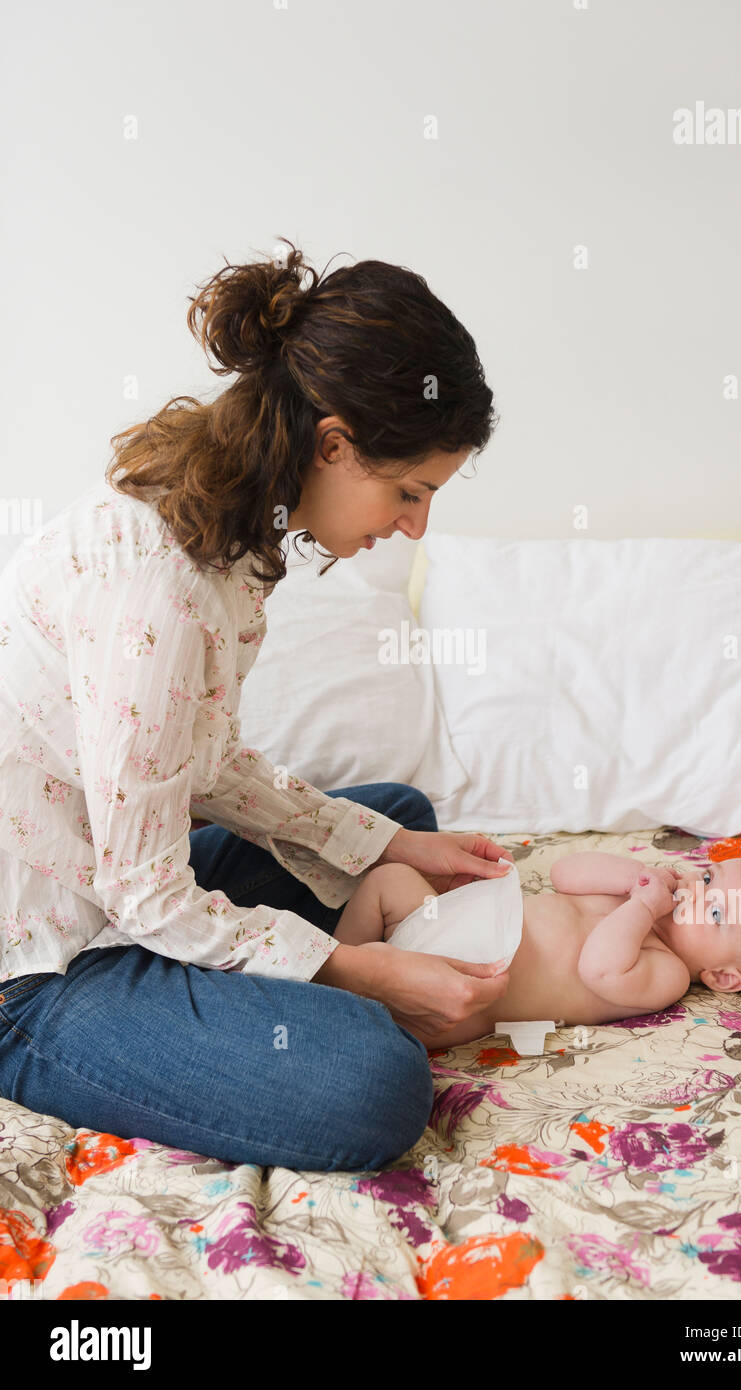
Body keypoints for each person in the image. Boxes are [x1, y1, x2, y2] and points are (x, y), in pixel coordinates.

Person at [0, 237, 514, 1172]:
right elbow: (147, 893)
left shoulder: (228, 532)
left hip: (100, 865)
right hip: (40, 957)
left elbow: (200, 762)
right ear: (332, 444)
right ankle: (127, 1036)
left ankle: (287, 974)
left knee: (400, 818)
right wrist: (360, 975)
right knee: (374, 1084)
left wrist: (391, 848)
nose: (414, 525)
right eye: (408, 491)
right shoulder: (154, 582)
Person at [331, 852, 741, 1049]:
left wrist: (643, 909)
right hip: (440, 925)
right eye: (708, 879)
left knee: (385, 1030)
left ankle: (336, 1000)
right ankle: (335, 963)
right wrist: (630, 878)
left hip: (457, 991)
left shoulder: (666, 972)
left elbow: (597, 969)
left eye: (714, 915)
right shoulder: (634, 891)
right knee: (388, 880)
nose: (697, 893)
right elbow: (565, 874)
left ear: (721, 976)